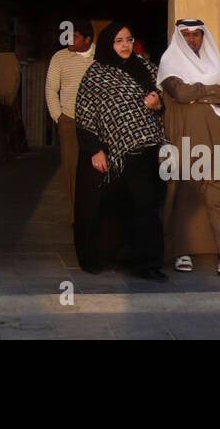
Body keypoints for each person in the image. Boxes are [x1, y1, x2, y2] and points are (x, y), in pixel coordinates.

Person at [73, 21, 167, 281]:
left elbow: (164, 102)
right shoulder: (96, 75)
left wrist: (158, 105)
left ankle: (148, 265)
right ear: (108, 44)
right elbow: (85, 115)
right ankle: (110, 258)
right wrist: (95, 150)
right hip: (115, 154)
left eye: (128, 40)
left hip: (149, 149)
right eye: (119, 41)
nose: (125, 45)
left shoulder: (146, 67)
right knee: (115, 209)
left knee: (146, 208)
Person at [157, 18, 220, 274]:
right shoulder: (170, 62)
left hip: (216, 134)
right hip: (183, 135)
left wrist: (197, 91)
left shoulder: (214, 61)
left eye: (197, 35)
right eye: (187, 35)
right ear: (180, 37)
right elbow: (181, 94)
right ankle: (181, 252)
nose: (192, 40)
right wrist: (211, 90)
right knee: (186, 193)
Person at [45, 18, 94, 222]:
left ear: (87, 39)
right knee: (72, 170)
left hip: (95, 123)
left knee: (97, 169)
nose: (68, 39)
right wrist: (59, 117)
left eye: (73, 36)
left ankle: (95, 215)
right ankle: (77, 218)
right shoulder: (59, 57)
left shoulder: (100, 57)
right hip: (69, 121)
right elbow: (51, 88)